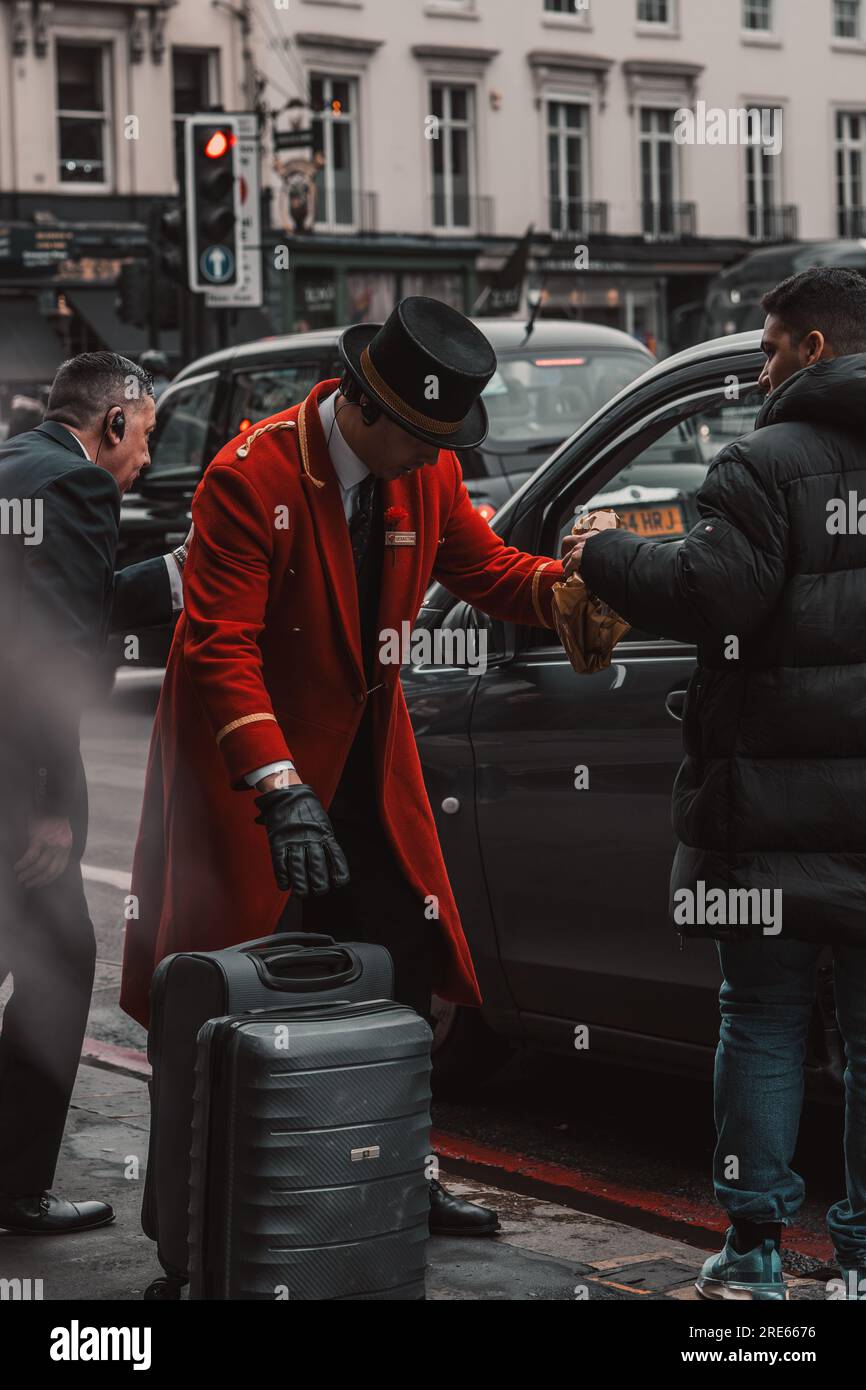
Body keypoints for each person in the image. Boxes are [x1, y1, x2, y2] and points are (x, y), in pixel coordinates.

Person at [120, 297, 566, 1236]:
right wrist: (281, 794)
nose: (442, 458)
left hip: (364, 764)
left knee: (401, 960)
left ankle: (401, 1171)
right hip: (250, 780)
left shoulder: (427, 470)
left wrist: (585, 588)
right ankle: (199, 1206)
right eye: (423, 437)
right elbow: (219, 650)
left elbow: (490, 571)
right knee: (229, 986)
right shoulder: (249, 476)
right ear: (366, 405)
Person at [562, 266, 866, 1300]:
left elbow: (709, 592)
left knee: (763, 1017)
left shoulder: (761, 464)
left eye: (772, 345)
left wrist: (604, 555)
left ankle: (754, 1251)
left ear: (814, 350)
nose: (760, 365)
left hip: (763, 813)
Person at [0, 352, 189, 1236]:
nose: (146, 459)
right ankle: (16, 1186)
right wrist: (44, 796)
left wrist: (171, 581)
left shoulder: (13, 467)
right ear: (115, 422)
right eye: (146, 434)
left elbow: (59, 600)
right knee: (60, 962)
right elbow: (60, 649)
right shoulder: (80, 485)